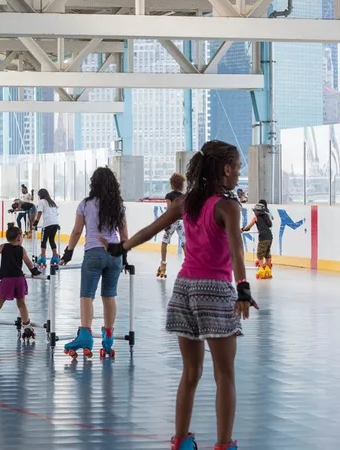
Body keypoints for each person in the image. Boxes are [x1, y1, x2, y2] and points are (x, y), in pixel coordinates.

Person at [104, 140, 258, 450]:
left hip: (183, 290)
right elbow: (237, 250)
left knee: (190, 372)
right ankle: (224, 444)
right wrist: (242, 287)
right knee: (224, 374)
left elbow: (150, 229)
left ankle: (181, 440)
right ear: (226, 169)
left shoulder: (185, 203)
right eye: (239, 168)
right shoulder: (228, 205)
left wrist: (123, 247)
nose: (239, 174)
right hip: (214, 292)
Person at [60, 167, 129, 359]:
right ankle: (108, 338)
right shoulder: (118, 206)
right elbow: (124, 234)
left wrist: (68, 253)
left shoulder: (85, 204)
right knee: (109, 296)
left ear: (93, 184)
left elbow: (76, 231)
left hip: (94, 253)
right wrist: (125, 258)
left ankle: (85, 335)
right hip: (115, 255)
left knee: (86, 296)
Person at [157, 172, 187, 280]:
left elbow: (170, 210)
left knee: (164, 242)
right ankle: (189, 263)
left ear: (172, 184)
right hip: (182, 221)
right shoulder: (184, 197)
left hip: (173, 221)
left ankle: (163, 264)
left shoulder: (169, 196)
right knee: (184, 243)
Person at [243, 199, 273, 280]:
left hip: (263, 238)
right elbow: (270, 225)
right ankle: (268, 271)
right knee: (267, 254)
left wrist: (243, 229)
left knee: (260, 254)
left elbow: (249, 227)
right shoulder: (266, 216)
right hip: (270, 237)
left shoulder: (255, 218)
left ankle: (262, 270)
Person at [32, 188, 60, 271]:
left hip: (47, 224)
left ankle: (43, 258)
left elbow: (40, 212)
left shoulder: (42, 201)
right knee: (52, 240)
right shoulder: (52, 202)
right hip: (55, 223)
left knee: (43, 240)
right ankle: (55, 257)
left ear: (41, 195)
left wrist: (36, 222)